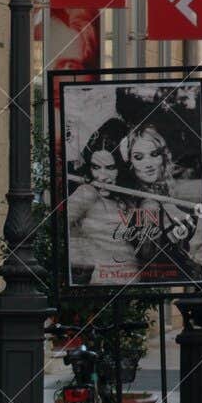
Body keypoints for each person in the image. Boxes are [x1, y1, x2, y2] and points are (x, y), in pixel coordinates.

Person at [120, 125, 202, 283]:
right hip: (159, 281)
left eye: (154, 154)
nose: (149, 164)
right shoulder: (148, 204)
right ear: (130, 162)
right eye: (139, 157)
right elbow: (149, 256)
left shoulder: (162, 193)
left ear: (163, 157)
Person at [65, 120, 136, 285]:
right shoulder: (87, 192)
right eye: (95, 167)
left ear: (123, 167)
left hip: (132, 283)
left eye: (110, 168)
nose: (101, 176)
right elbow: (60, 230)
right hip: (100, 282)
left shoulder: (127, 198)